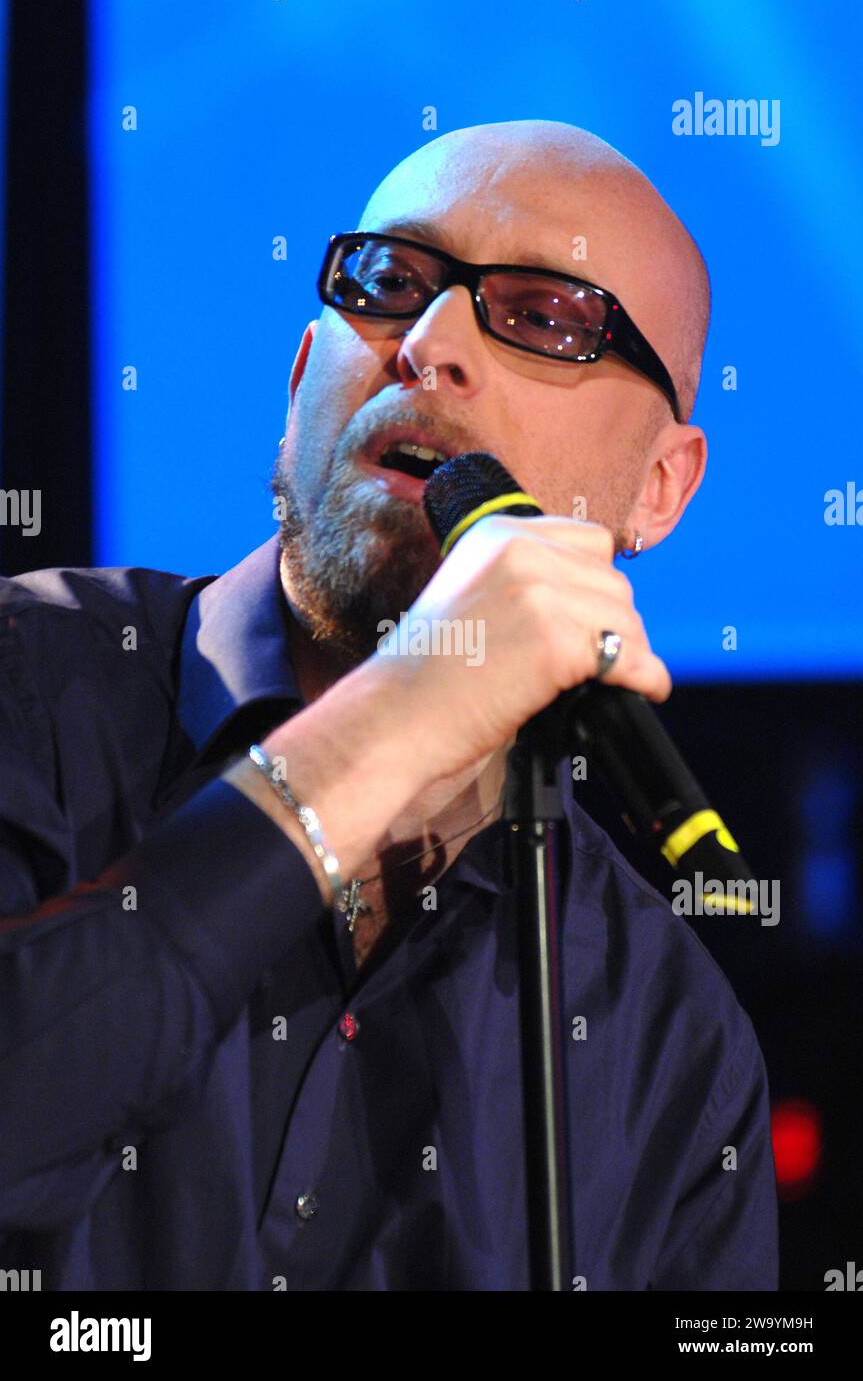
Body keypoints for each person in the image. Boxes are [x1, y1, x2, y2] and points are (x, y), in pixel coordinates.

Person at [0, 120, 778, 1290]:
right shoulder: (31, 681)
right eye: (389, 283)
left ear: (659, 487)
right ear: (304, 378)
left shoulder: (666, 1043)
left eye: (543, 315)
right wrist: (404, 712)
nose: (425, 342)